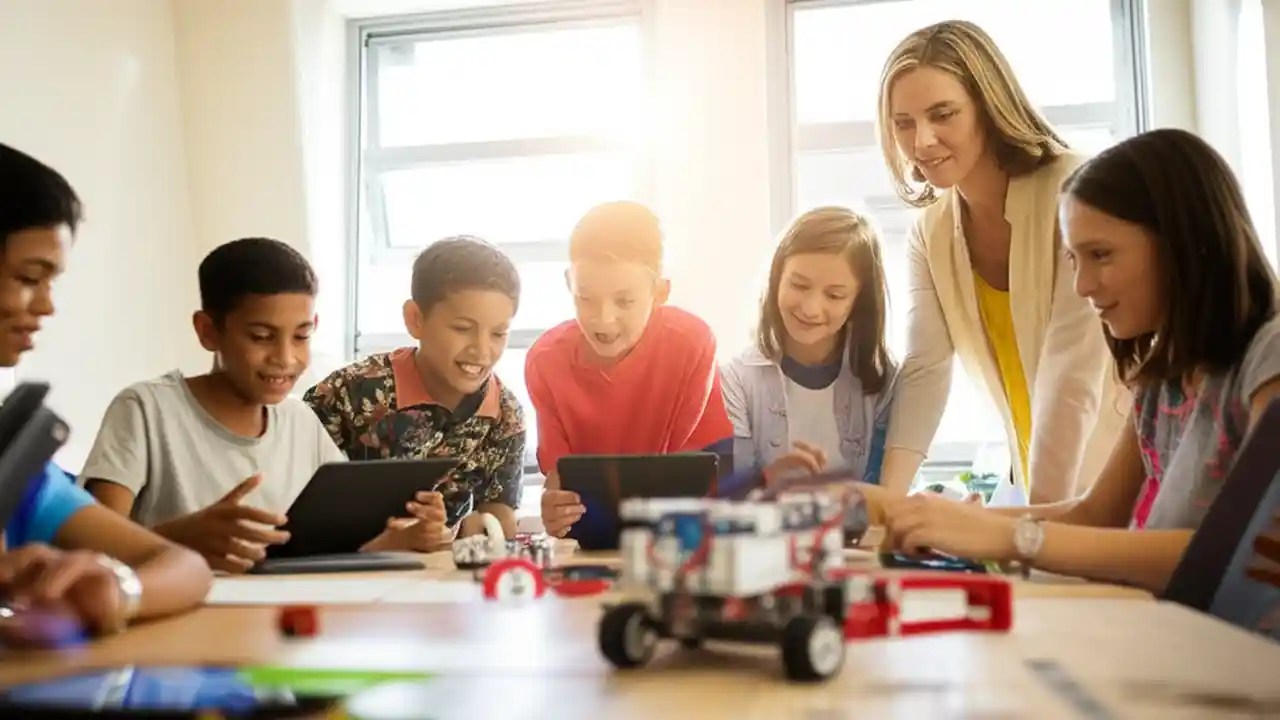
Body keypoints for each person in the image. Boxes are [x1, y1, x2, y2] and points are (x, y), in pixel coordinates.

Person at [879, 128, 1280, 593]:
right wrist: (950, 523)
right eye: (1074, 260)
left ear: (1183, 241)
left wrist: (1011, 537)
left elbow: (1251, 551)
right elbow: (1093, 515)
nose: (1082, 285)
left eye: (1100, 255)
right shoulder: (1163, 376)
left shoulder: (1269, 354)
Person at [875, 20, 1127, 502]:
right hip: (1040, 483)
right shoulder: (929, 231)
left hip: (1120, 475)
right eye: (903, 123)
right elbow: (926, 370)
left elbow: (1071, 375)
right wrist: (887, 506)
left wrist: (1038, 526)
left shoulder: (1077, 190)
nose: (921, 141)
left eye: (942, 114)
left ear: (988, 107)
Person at [82, 238, 425, 571]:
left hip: (281, 603)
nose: (285, 357)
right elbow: (89, 549)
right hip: (181, 603)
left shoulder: (300, 420)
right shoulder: (145, 409)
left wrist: (406, 534)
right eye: (261, 337)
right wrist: (179, 539)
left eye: (301, 336)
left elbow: (341, 543)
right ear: (208, 331)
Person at [0, 142, 210, 636]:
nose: (47, 306)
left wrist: (117, 588)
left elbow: (185, 567)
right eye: (29, 277)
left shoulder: (14, 462)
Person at [526, 202, 732, 538]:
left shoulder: (692, 344)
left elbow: (697, 475)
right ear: (569, 283)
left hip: (682, 536)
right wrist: (556, 509)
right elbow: (561, 483)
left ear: (659, 293)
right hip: (594, 540)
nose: (603, 319)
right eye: (586, 298)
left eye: (624, 301)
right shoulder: (545, 361)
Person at [304, 236, 526, 540]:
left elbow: (500, 515)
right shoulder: (348, 394)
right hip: (346, 561)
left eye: (498, 334)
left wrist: (462, 531)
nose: (482, 350)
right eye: (463, 329)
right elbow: (292, 502)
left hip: (444, 565)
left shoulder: (505, 414)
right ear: (415, 319)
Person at [721, 207, 897, 490]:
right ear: (777, 279)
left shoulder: (885, 380)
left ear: (859, 301)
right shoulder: (736, 379)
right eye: (799, 285)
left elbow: (885, 490)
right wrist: (765, 480)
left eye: (834, 295)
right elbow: (724, 495)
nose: (811, 309)